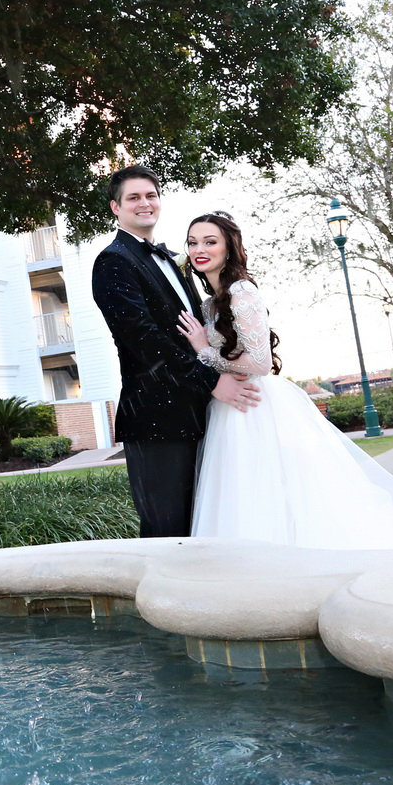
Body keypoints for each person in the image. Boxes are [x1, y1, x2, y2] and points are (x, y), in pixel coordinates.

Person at [176, 212, 393, 548]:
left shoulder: (242, 292)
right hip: (229, 407)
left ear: (229, 248)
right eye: (193, 242)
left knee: (276, 488)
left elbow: (261, 362)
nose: (200, 249)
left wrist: (204, 350)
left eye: (210, 241)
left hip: (256, 403)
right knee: (245, 490)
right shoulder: (210, 303)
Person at [91, 166, 260, 537]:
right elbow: (144, 340)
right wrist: (212, 381)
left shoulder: (171, 260)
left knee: (207, 526)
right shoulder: (113, 262)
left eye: (151, 195)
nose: (144, 203)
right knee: (167, 533)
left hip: (200, 414)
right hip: (157, 421)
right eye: (133, 197)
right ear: (115, 208)